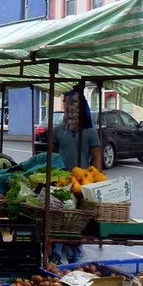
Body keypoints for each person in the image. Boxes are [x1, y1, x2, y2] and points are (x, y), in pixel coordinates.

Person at [49, 88, 103, 264]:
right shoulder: (57, 130)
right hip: (61, 182)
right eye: (66, 104)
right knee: (59, 219)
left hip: (82, 182)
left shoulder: (89, 132)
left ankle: (75, 255)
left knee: (77, 222)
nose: (68, 108)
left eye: (72, 105)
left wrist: (94, 180)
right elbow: (52, 156)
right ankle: (56, 255)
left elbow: (96, 158)